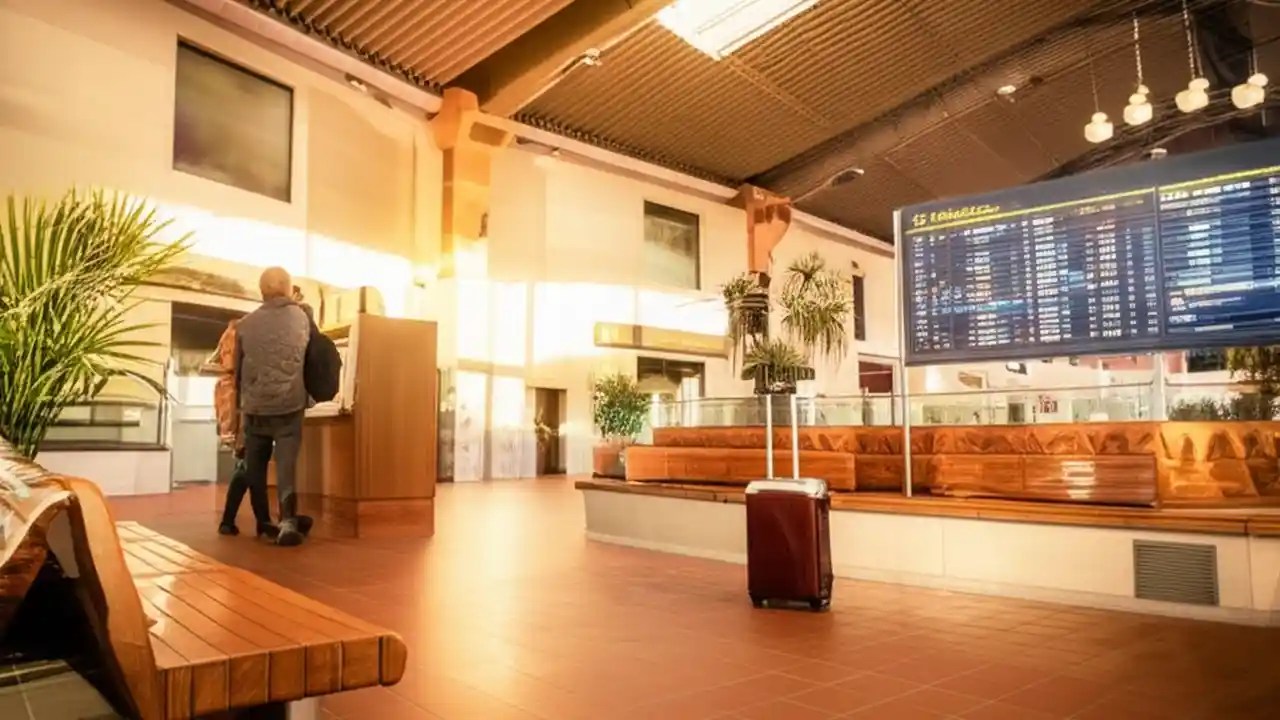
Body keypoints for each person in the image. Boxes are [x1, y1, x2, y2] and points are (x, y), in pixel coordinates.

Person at [236, 267, 311, 546]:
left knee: (255, 465)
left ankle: (263, 521)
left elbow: (239, 372)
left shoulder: (246, 323)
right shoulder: (301, 316)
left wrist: (239, 412)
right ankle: (288, 522)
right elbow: (309, 350)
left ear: (261, 291)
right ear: (289, 289)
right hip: (289, 405)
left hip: (255, 406)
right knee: (286, 466)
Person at [213, 319, 278, 538]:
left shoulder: (232, 332)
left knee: (245, 467)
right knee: (253, 467)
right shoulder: (249, 335)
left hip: (235, 410)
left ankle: (229, 521)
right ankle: (263, 522)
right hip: (248, 411)